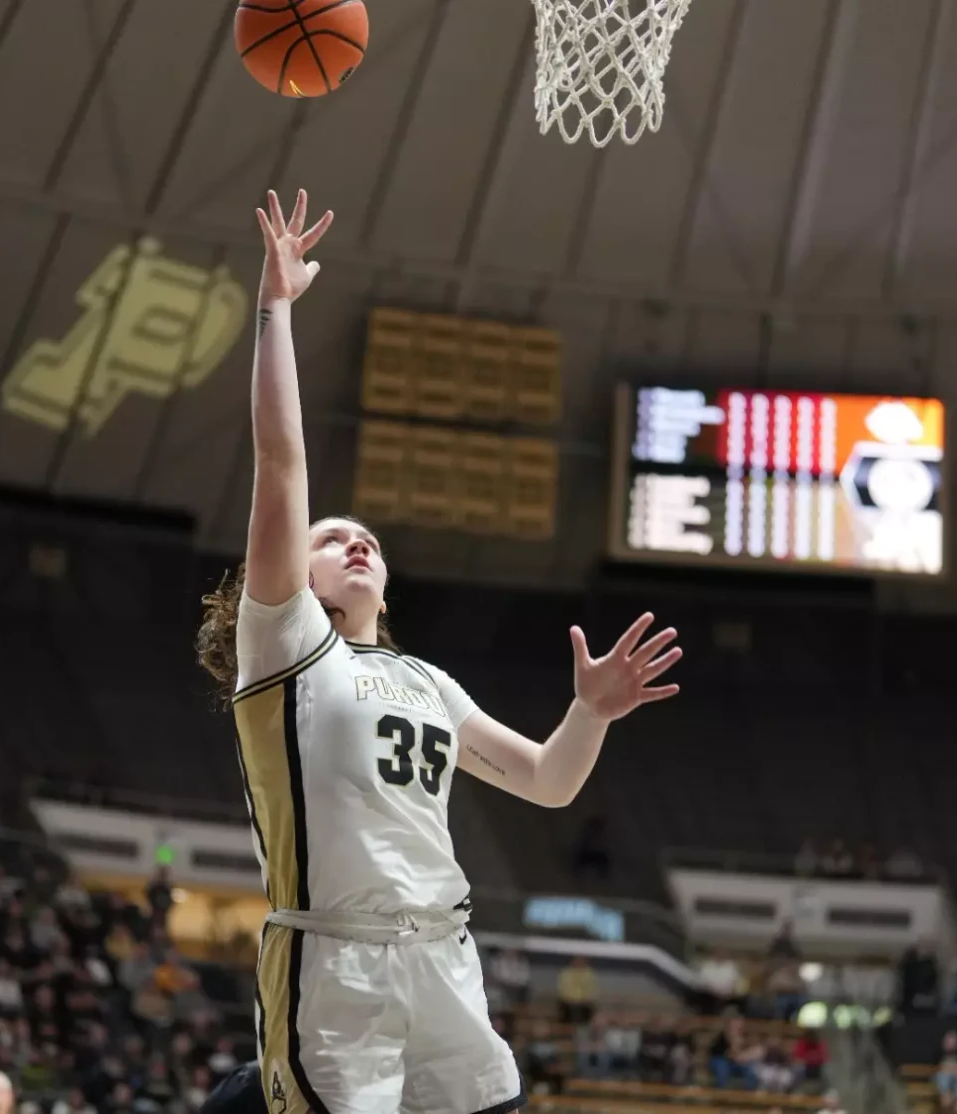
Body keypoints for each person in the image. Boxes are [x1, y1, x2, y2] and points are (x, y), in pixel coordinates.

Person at [194, 189, 682, 1114]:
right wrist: (277, 308)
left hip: (443, 956)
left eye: (368, 538)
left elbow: (547, 783)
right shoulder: (286, 645)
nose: (358, 543)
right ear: (291, 568)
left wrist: (591, 712)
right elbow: (282, 462)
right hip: (335, 961)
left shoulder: (428, 682)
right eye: (333, 537)